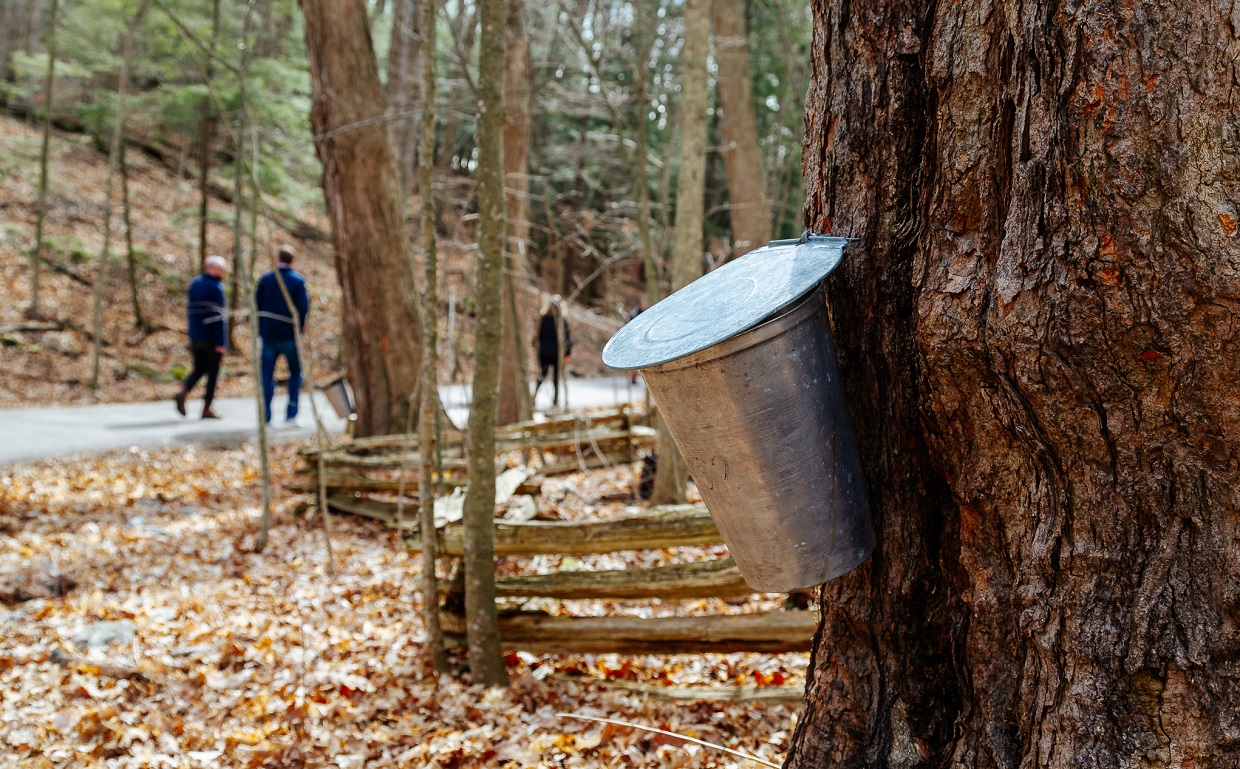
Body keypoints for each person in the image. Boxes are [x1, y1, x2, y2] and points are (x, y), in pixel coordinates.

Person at [255, 245, 309, 426]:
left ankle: (266, 417)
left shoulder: (265, 279)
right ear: (292, 261)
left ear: (278, 259)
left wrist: (259, 332)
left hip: (269, 336)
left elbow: (257, 306)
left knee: (266, 375)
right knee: (295, 374)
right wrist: (299, 330)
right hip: (289, 336)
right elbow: (303, 309)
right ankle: (291, 415)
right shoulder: (297, 281)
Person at [176, 255, 228, 419]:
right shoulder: (216, 288)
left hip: (196, 336)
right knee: (212, 372)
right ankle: (207, 407)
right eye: (221, 269)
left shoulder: (194, 284)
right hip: (211, 338)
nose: (223, 272)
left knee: (199, 368)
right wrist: (221, 342)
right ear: (212, 269)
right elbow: (219, 317)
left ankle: (183, 391)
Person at [533, 298, 571, 407]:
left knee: (549, 377)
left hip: (551, 353)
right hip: (549, 353)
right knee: (548, 376)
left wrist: (566, 353)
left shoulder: (558, 321)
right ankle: (548, 401)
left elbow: (567, 339)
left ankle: (553, 401)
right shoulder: (546, 320)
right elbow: (537, 335)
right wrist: (567, 353)